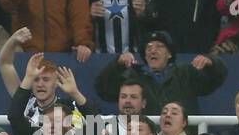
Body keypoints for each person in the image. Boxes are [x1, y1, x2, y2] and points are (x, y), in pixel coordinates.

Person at [94, 31, 227, 116]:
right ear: (144, 55)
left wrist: (212, 63)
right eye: (149, 47)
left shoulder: (186, 73)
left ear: (169, 54)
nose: (153, 50)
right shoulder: (133, 76)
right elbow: (104, 90)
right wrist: (117, 65)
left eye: (159, 46)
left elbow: (216, 79)